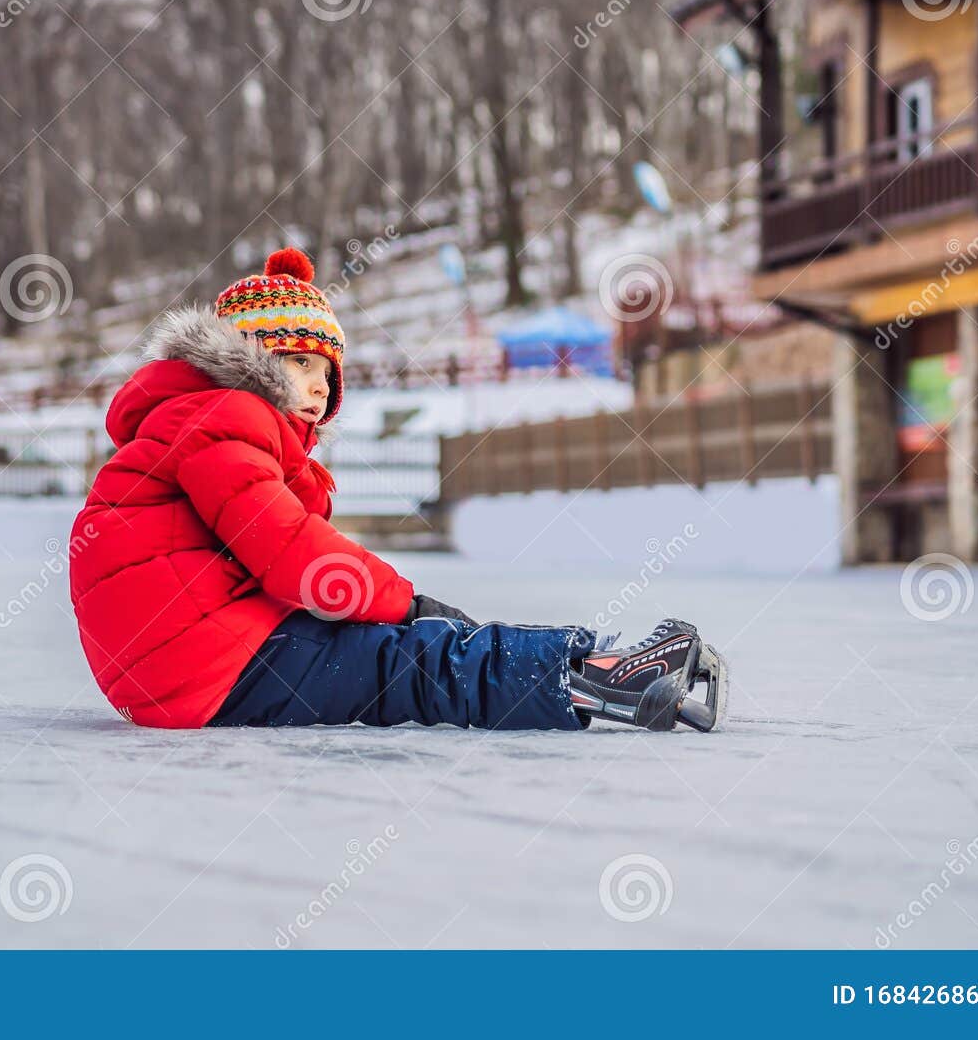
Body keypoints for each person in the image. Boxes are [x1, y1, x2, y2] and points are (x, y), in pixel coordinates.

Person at [68, 248, 725, 732]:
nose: (321, 384)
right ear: (248, 362)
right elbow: (293, 556)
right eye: (298, 362)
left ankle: (591, 667)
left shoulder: (193, 422)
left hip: (181, 662)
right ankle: (604, 675)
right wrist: (406, 602)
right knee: (413, 661)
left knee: (407, 650)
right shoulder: (223, 419)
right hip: (208, 661)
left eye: (326, 368)